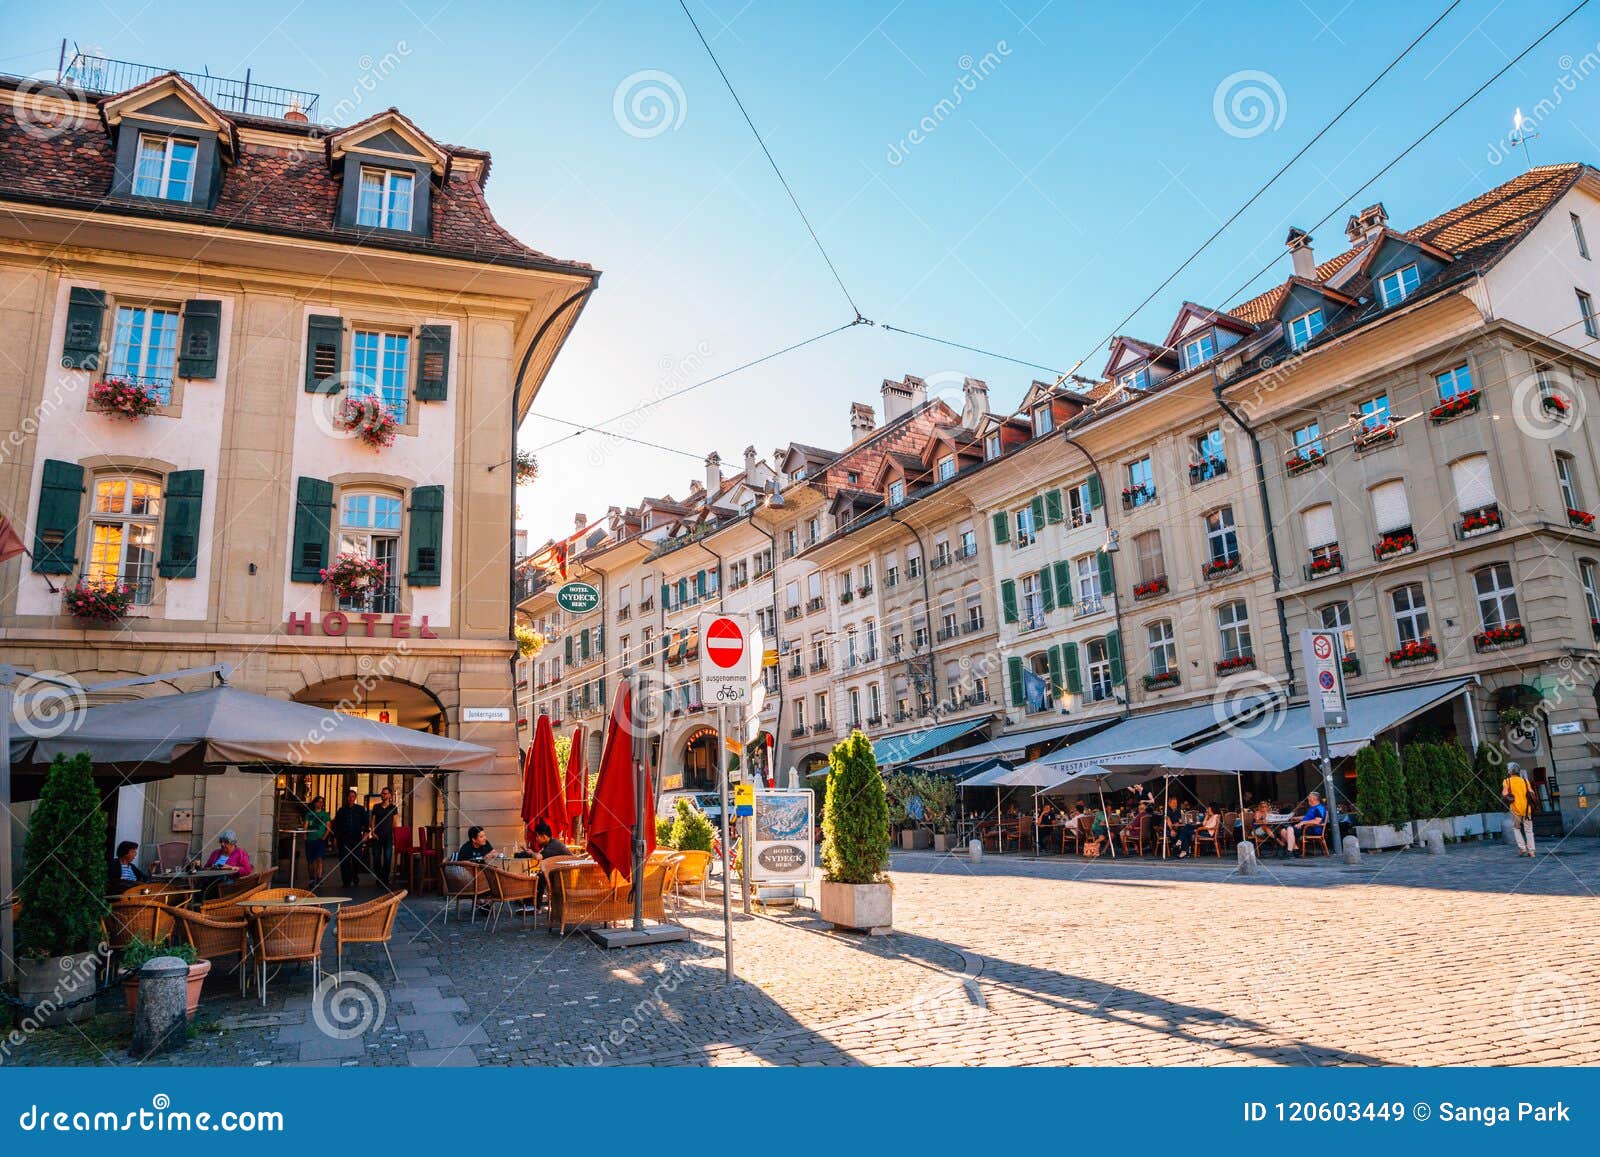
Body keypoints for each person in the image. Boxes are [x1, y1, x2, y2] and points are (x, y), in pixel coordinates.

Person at [332, 788, 371, 888]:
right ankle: (346, 881)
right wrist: (335, 838)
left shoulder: (360, 809)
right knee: (344, 860)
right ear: (347, 798)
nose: (351, 798)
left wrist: (366, 833)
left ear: (355, 798)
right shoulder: (341, 810)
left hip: (356, 838)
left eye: (353, 797)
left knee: (356, 859)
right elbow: (336, 825)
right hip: (344, 839)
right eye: (349, 796)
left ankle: (355, 874)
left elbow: (366, 823)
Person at [1502, 762, 1536, 857]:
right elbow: (1532, 793)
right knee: (1529, 830)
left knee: (1516, 828)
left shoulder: (1507, 781)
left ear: (1509, 771)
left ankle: (1522, 848)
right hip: (1526, 809)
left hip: (1515, 810)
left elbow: (1504, 794)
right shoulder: (1525, 781)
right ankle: (1532, 851)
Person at [369, 787, 399, 885]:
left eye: (385, 793)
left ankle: (385, 878)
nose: (383, 795)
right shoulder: (376, 807)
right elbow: (372, 821)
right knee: (376, 857)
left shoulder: (393, 808)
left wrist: (395, 836)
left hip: (388, 836)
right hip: (377, 835)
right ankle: (379, 877)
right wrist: (373, 832)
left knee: (387, 857)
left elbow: (395, 822)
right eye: (382, 793)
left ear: (390, 795)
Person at [304, 795, 330, 889]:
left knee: (319, 859)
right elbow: (306, 825)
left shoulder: (325, 815)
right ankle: (311, 878)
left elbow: (328, 828)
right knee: (310, 860)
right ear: (315, 803)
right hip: (310, 839)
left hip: (319, 840)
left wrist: (323, 838)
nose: (320, 803)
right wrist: (305, 836)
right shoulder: (309, 814)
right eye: (318, 801)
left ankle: (319, 878)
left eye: (322, 802)